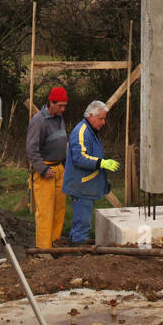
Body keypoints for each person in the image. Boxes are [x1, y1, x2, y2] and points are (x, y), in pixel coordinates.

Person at [62, 99, 119, 244]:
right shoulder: (81, 131)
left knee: (82, 222)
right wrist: (101, 163)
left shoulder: (90, 131)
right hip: (81, 187)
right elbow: (80, 157)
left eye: (104, 119)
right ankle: (78, 253)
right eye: (101, 119)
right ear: (90, 116)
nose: (103, 122)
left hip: (87, 186)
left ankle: (76, 246)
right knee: (82, 223)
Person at [26, 85, 70, 249]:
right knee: (45, 212)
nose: (63, 109)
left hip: (59, 169)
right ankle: (43, 249)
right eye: (60, 105)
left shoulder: (59, 118)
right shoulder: (39, 121)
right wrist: (43, 170)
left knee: (59, 209)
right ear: (50, 103)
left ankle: (55, 243)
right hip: (45, 171)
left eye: (65, 106)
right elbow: (31, 150)